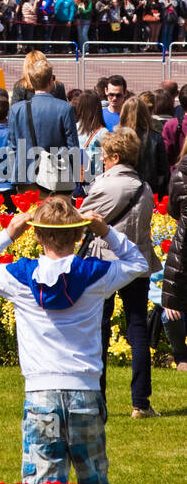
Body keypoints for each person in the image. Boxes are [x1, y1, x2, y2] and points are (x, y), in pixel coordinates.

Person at [0, 194, 148, 484]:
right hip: (85, 391)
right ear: (78, 233)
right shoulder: (95, 276)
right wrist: (106, 232)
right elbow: (138, 263)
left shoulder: (19, 278)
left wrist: (9, 234)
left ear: (36, 235)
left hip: (41, 393)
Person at [80, 128, 159, 418]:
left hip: (104, 261)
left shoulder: (105, 186)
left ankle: (98, 402)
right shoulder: (144, 187)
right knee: (137, 329)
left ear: (115, 157)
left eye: (103, 156)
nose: (101, 161)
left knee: (99, 329)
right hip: (137, 261)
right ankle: (141, 402)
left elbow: (82, 219)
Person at [6, 60, 80, 193]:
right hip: (57, 177)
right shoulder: (65, 108)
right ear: (51, 80)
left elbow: (12, 147)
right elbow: (73, 147)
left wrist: (15, 174)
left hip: (26, 176)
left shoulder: (16, 110)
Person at [162, 145, 187, 371]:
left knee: (171, 311)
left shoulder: (180, 173)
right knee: (171, 311)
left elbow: (172, 209)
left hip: (183, 244)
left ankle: (181, 356)